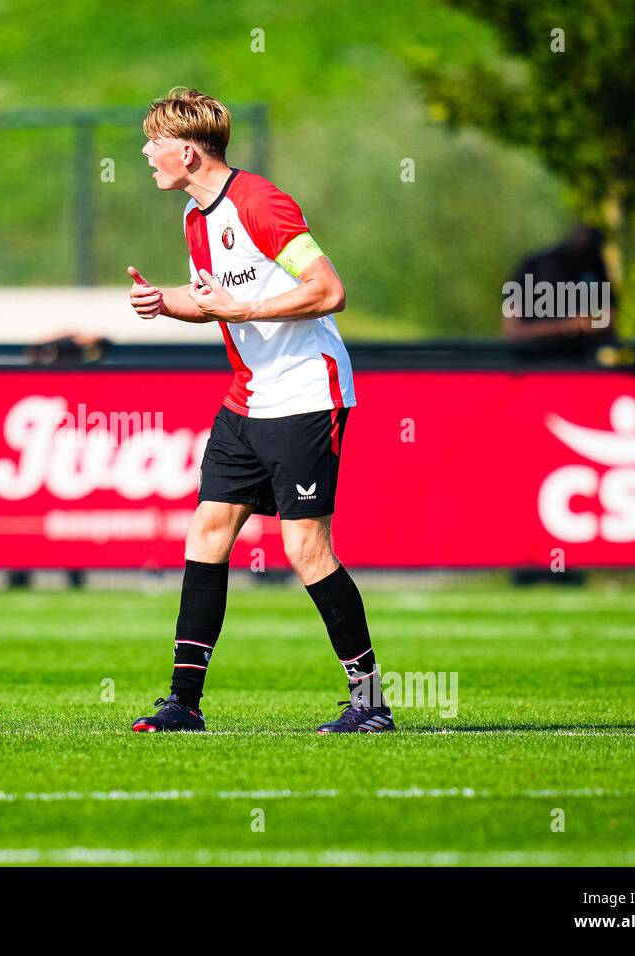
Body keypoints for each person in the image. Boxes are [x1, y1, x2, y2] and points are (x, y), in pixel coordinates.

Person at [126, 88, 392, 735]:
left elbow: (328, 290)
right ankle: (184, 705)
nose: (145, 152)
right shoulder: (195, 218)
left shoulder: (259, 204)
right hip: (247, 397)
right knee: (208, 533)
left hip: (305, 393)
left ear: (186, 152)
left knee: (306, 549)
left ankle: (371, 703)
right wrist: (167, 303)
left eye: (152, 142)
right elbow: (215, 301)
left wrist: (240, 309)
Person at [503, 225, 618, 357]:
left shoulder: (594, 266)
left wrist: (589, 324)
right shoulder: (535, 266)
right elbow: (513, 331)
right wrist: (567, 327)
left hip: (580, 366)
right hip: (532, 364)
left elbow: (611, 319)